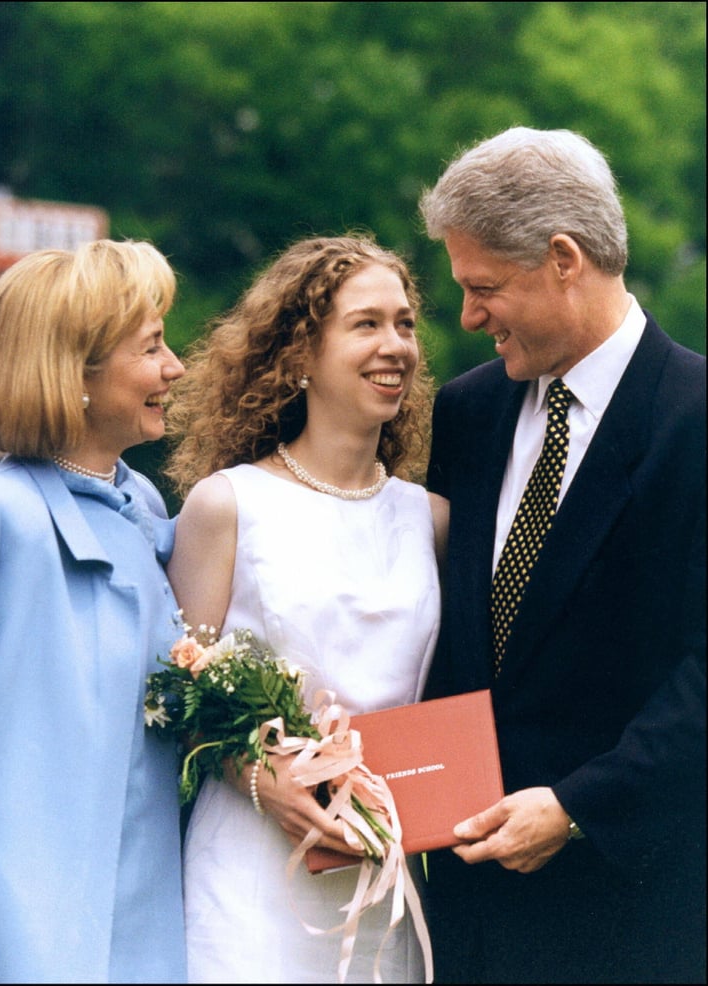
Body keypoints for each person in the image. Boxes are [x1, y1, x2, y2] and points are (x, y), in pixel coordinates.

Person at [417, 126, 706, 984]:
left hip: (630, 911)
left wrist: (579, 808)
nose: (468, 317)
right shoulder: (466, 413)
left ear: (563, 258)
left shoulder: (695, 420)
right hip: (462, 915)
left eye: (484, 287)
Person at [163, 234, 449, 984]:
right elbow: (178, 693)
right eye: (366, 324)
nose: (396, 346)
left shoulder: (432, 520)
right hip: (255, 879)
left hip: (384, 881)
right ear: (297, 356)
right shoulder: (227, 505)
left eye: (405, 323)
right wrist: (264, 781)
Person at [0, 240, 188, 984]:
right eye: (153, 347)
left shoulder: (144, 505)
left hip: (146, 910)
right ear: (74, 373)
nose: (176, 369)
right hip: (27, 927)